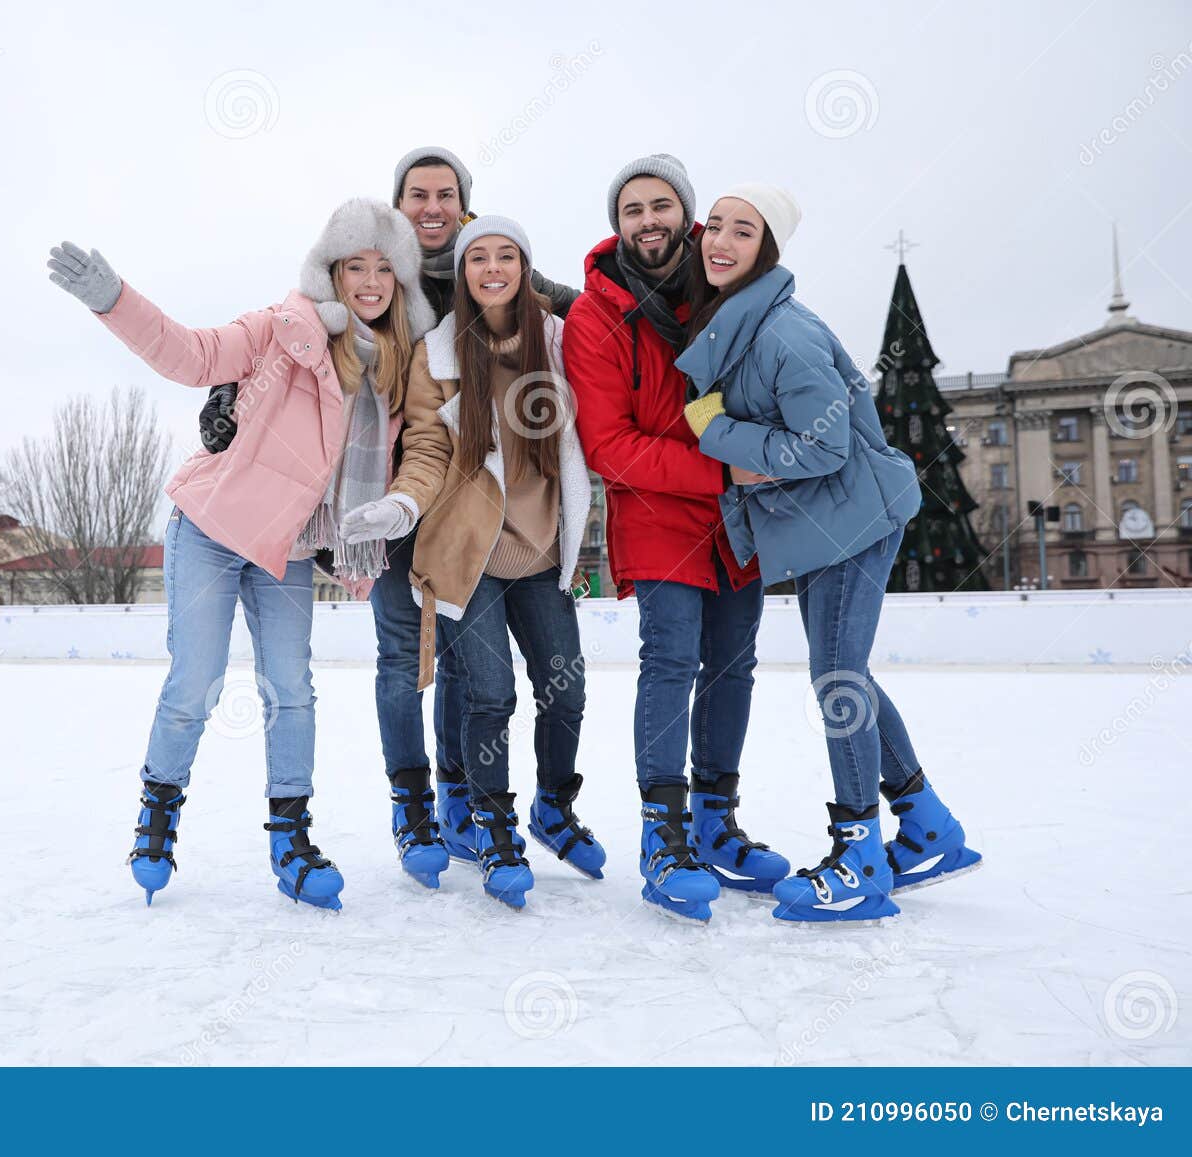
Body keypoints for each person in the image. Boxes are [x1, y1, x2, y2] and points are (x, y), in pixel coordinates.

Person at [197, 150, 585, 881]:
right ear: (398, 205)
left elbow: (586, 302)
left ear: (465, 207)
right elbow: (281, 334)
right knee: (406, 658)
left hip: (466, 508)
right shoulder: (373, 275)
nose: (431, 206)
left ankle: (460, 800)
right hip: (382, 494)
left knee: (473, 671)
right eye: (418, 194)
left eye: (446, 194)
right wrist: (225, 395)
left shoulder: (489, 266)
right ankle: (413, 808)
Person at [45, 198, 435, 910]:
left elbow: (409, 456)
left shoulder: (396, 371)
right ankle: (158, 814)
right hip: (212, 526)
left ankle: (292, 837)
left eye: (385, 267)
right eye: (357, 266)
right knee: (198, 679)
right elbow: (192, 354)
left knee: (292, 687)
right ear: (332, 271)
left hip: (286, 547)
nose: (371, 281)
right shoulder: (282, 328)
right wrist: (113, 299)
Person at [677, 183, 982, 924]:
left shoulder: (784, 333)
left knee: (838, 676)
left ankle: (859, 857)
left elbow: (823, 443)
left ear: (767, 250)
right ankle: (927, 823)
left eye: (742, 231)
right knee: (850, 674)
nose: (721, 240)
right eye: (714, 226)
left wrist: (716, 433)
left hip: (853, 523)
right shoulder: (738, 326)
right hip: (825, 529)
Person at [342, 216, 604, 910]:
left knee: (566, 691)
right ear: (460, 272)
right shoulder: (440, 352)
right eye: (478, 257)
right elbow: (427, 446)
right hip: (471, 552)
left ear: (524, 265)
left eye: (506, 255)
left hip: (543, 550)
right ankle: (494, 827)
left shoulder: (557, 336)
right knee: (489, 694)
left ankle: (553, 804)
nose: (492, 267)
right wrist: (401, 503)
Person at [563, 155, 785, 924]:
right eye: (632, 209)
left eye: (661, 206)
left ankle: (715, 822)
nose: (647, 220)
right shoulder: (596, 318)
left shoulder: (723, 283)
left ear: (683, 214)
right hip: (659, 513)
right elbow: (609, 446)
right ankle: (663, 834)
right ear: (617, 223)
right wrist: (724, 473)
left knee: (734, 665)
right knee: (672, 659)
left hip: (739, 520)